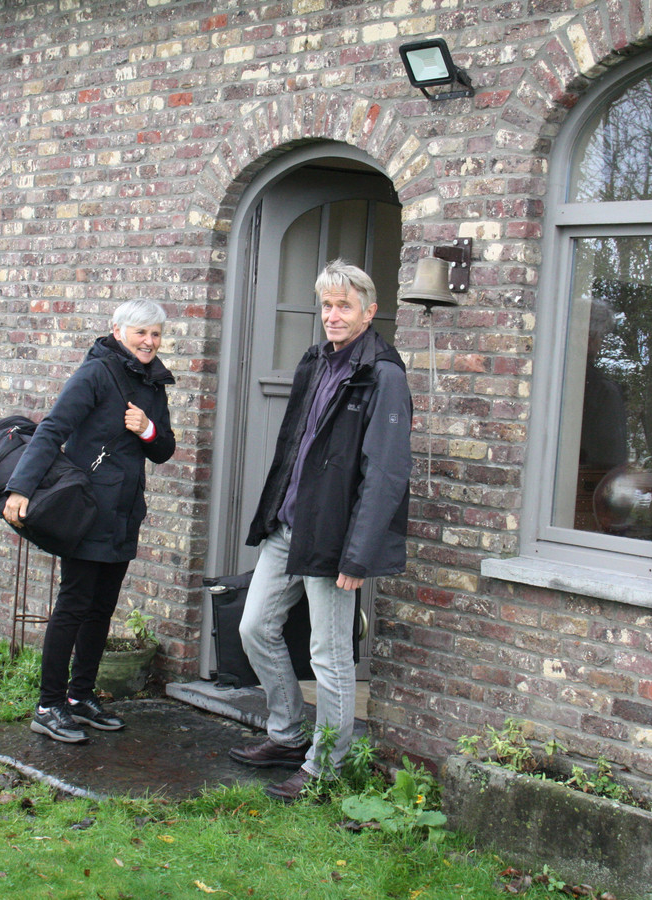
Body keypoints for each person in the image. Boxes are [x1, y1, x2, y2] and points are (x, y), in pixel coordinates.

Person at [230, 259, 412, 801]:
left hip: (333, 541)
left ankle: (326, 766)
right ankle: (286, 733)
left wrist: (358, 557)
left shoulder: (383, 375)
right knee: (253, 628)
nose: (332, 315)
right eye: (327, 305)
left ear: (369, 312)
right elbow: (295, 448)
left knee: (330, 655)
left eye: (344, 306)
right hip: (290, 526)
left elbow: (386, 473)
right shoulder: (316, 362)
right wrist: (270, 514)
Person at [3, 299, 176, 744]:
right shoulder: (96, 373)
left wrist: (147, 430)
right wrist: (20, 490)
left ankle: (81, 697)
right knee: (75, 605)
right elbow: (52, 429)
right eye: (141, 332)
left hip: (124, 511)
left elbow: (164, 449)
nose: (149, 342)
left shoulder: (154, 384)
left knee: (102, 608)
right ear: (117, 330)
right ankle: (49, 704)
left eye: (156, 334)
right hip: (85, 511)